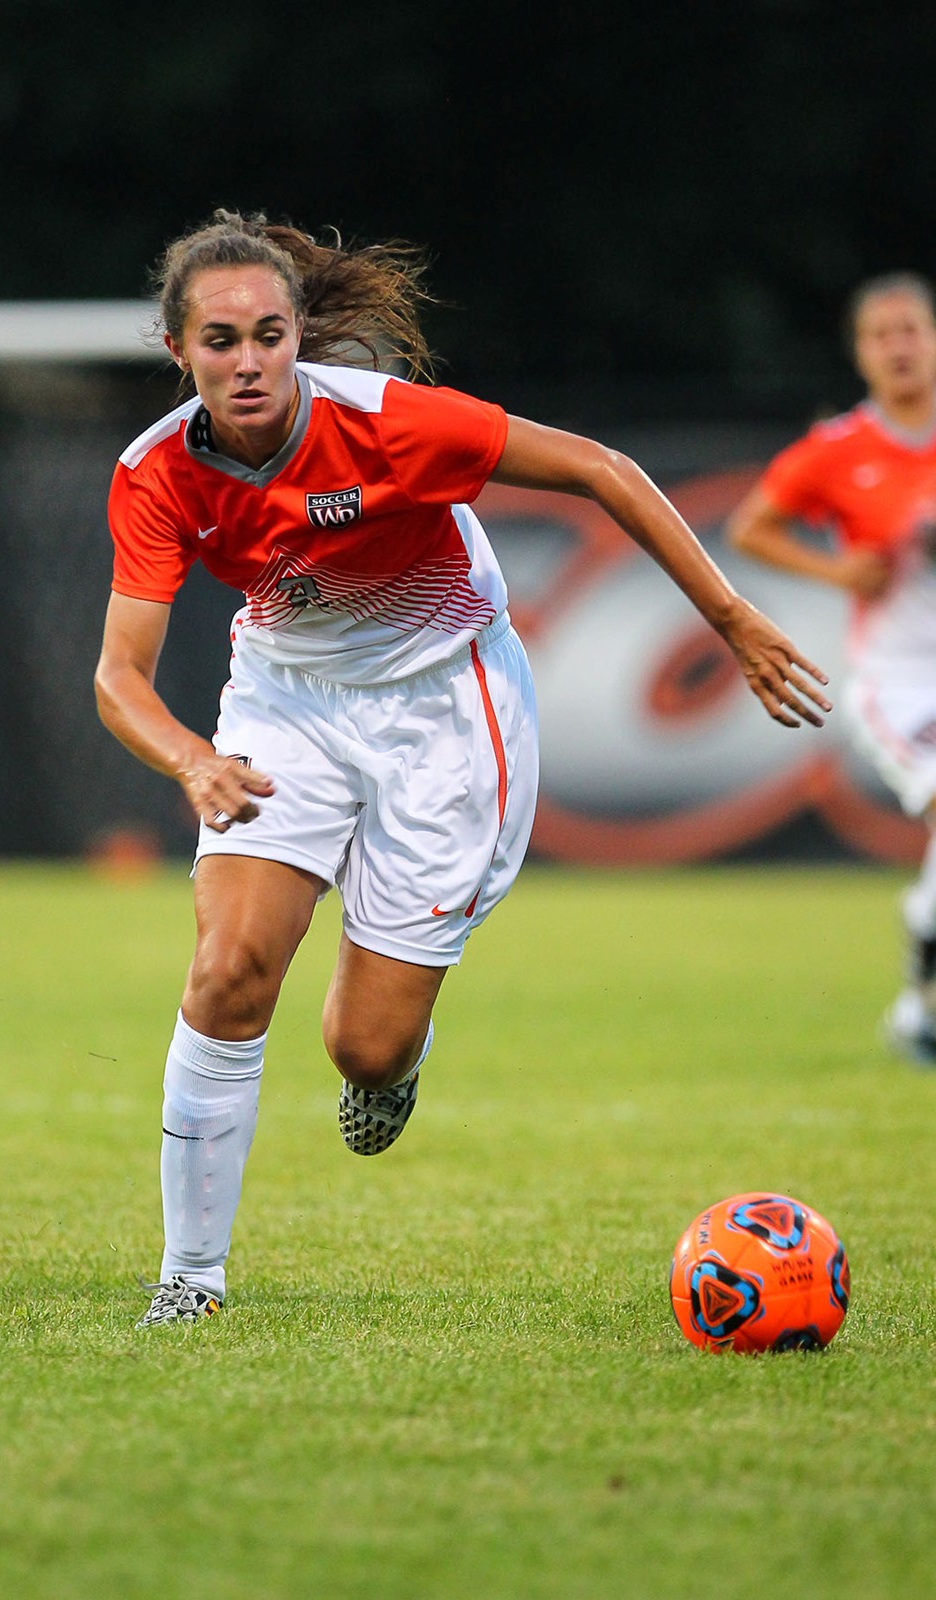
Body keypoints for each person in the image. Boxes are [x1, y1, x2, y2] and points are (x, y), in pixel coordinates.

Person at [94, 209, 831, 1327]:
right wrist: (194, 761)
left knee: (363, 1044)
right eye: (219, 341)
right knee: (229, 970)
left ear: (298, 337)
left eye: (269, 334)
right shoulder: (154, 473)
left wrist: (728, 617)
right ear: (177, 353)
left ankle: (394, 1059)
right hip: (285, 699)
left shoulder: (389, 425)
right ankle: (188, 1281)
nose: (247, 362)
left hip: (446, 704)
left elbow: (601, 469)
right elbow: (118, 678)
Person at [728, 271, 936, 1066]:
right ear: (859, 352)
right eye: (880, 334)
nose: (898, 346)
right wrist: (839, 572)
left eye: (910, 329)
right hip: (899, 678)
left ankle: (917, 994)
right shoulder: (839, 448)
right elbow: (753, 527)